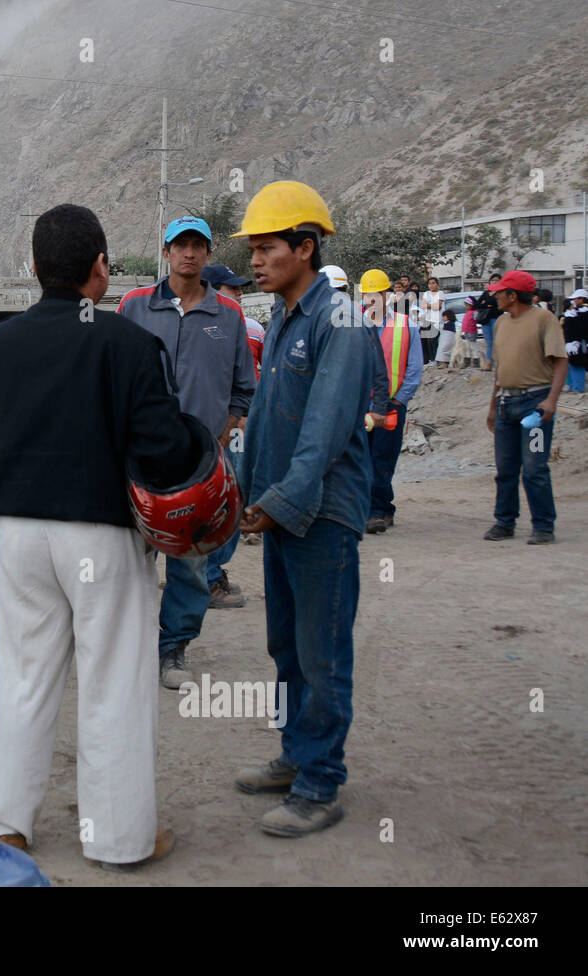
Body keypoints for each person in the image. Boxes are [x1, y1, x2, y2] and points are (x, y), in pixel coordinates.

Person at [0, 203, 203, 870]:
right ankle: (119, 840)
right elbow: (165, 451)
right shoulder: (125, 343)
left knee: (25, 680)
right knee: (112, 684)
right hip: (101, 536)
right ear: (99, 270)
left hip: (20, 538)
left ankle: (5, 823)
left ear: (34, 270)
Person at [233, 181, 373, 837]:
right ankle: (296, 756)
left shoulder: (339, 320)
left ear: (306, 246)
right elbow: (264, 420)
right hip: (283, 512)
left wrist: (282, 497)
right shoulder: (288, 317)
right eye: (254, 251)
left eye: (267, 249)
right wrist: (243, 490)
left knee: (321, 654)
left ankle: (320, 785)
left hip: (323, 516)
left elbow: (324, 430)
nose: (256, 262)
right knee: (286, 645)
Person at [117, 216, 256, 687]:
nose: (189, 253)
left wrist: (226, 429)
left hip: (202, 468)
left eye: (198, 245)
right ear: (166, 251)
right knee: (132, 558)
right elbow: (112, 377)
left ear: (209, 254)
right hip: (141, 462)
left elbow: (243, 388)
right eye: (181, 245)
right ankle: (130, 648)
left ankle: (173, 649)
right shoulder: (134, 307)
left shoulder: (230, 316)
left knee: (192, 564)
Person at [483, 270, 568, 545]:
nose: (494, 296)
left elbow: (560, 361)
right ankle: (504, 522)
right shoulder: (500, 323)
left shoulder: (544, 319)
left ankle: (543, 526)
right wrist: (493, 405)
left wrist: (551, 402)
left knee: (534, 468)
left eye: (499, 292)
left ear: (512, 295)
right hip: (507, 405)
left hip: (535, 407)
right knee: (505, 468)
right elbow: (500, 368)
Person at [200, 262, 261, 608]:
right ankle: (208, 578)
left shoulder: (241, 324)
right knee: (221, 503)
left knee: (231, 500)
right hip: (223, 432)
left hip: (236, 427)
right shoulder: (209, 327)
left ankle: (211, 573)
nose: (239, 292)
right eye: (231, 287)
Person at [360, 268, 422, 534]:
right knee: (360, 458)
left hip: (393, 406)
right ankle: (366, 509)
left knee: (382, 459)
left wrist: (398, 401)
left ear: (388, 295)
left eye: (377, 294)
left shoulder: (406, 325)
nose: (372, 299)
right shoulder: (353, 324)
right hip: (360, 405)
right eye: (367, 295)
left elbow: (414, 368)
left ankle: (380, 511)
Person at [474, 272, 503, 369]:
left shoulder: (501, 293)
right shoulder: (486, 293)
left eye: (497, 280)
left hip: (496, 318)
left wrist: (487, 304)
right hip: (485, 320)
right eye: (493, 280)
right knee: (489, 342)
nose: (494, 282)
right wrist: (487, 305)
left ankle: (499, 362)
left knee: (497, 341)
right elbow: (478, 304)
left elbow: (500, 306)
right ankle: (488, 362)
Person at [562, 289, 588, 393]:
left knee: (577, 364)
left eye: (576, 299)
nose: (574, 301)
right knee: (570, 364)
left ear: (582, 299)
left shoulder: (584, 313)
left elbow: (582, 329)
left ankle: (578, 387)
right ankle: (572, 385)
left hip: (579, 343)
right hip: (570, 343)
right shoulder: (573, 313)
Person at [419, 276, 443, 363]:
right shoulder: (426, 294)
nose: (431, 285)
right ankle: (431, 360)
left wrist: (429, 305)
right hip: (427, 320)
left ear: (437, 284)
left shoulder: (440, 293)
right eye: (430, 283)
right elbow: (423, 305)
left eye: (433, 283)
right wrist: (432, 305)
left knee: (434, 341)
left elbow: (438, 306)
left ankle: (437, 359)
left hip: (436, 321)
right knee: (427, 341)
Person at [459, 296, 481, 368]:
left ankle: (476, 361)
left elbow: (476, 319)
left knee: (473, 346)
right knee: (468, 347)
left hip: (471, 331)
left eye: (467, 305)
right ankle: (467, 362)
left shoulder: (474, 312)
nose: (466, 307)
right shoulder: (468, 312)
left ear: (472, 305)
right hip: (466, 332)